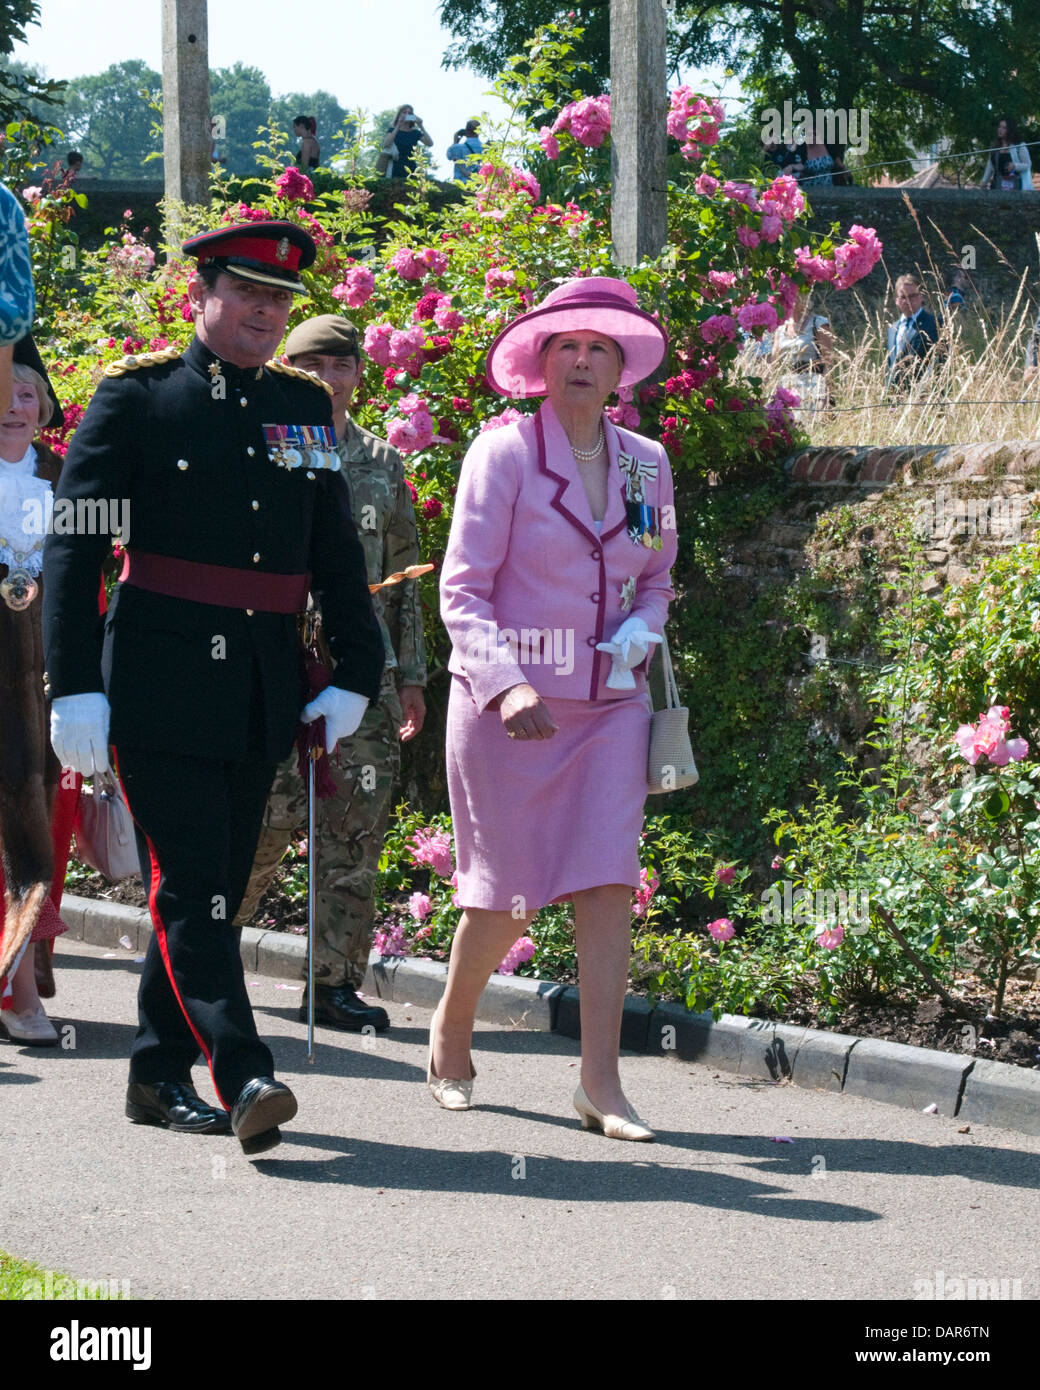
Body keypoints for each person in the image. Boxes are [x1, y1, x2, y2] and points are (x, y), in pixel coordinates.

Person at [42, 220, 385, 1155]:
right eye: (246, 294)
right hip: (155, 682)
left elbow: (333, 551)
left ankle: (156, 1075)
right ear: (203, 295)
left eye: (278, 302)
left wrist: (358, 668)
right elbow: (76, 545)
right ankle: (245, 1072)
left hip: (262, 687)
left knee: (213, 890)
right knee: (192, 884)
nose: (264, 313)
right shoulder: (138, 399)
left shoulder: (302, 406)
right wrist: (73, 685)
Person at [435, 277, 676, 1141]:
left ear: (620, 369)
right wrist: (509, 685)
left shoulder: (648, 462)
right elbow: (461, 592)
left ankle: (601, 1085)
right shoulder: (501, 454)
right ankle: (452, 1031)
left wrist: (641, 634)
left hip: (611, 706)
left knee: (608, 882)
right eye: (566, 345)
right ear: (539, 362)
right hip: (509, 708)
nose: (581, 359)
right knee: (501, 898)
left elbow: (654, 578)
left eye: (599, 348)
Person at [234, 314, 427, 1033]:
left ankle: (333, 982)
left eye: (339, 365)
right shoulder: (267, 449)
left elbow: (406, 576)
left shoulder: (382, 461)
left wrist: (413, 674)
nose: (326, 378)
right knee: (261, 822)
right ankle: (204, 965)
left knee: (354, 831)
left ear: (358, 374)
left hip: (361, 676)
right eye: (311, 366)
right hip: (275, 668)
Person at [0, 363, 74, 1045]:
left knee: (29, 841)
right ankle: (16, 991)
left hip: (45, 692)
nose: (13, 405)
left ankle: (19, 983)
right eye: (1, 391)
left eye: (27, 393)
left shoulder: (68, 479)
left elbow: (95, 578)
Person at [771, 294, 833, 412]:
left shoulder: (818, 323)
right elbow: (773, 364)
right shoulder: (779, 328)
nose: (793, 300)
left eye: (796, 296)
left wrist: (825, 394)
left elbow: (828, 361)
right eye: (789, 297)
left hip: (813, 383)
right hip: (787, 386)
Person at [885, 273, 940, 393]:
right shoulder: (892, 329)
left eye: (913, 296)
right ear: (896, 300)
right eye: (903, 297)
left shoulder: (935, 323)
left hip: (924, 397)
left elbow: (940, 363)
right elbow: (890, 366)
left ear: (921, 296)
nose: (908, 301)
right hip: (896, 399)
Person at [980, 117, 1031, 191]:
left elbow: (1028, 165)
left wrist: (1015, 166)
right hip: (996, 186)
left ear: (1010, 130)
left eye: (1004, 128)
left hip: (1014, 187)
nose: (1000, 129)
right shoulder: (995, 147)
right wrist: (984, 182)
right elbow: (990, 166)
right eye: (999, 127)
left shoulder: (1019, 146)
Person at [383, 105, 434, 179]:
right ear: (399, 114)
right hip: (395, 166)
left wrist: (421, 127)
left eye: (409, 113)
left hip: (411, 167)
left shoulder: (415, 133)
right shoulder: (392, 130)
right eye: (404, 112)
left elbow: (430, 143)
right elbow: (387, 144)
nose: (407, 114)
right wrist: (398, 126)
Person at [799, 123, 834, 187]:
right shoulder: (801, 149)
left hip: (830, 189)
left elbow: (838, 162)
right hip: (810, 189)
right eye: (809, 134)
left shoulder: (828, 145)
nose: (812, 136)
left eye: (815, 134)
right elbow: (799, 166)